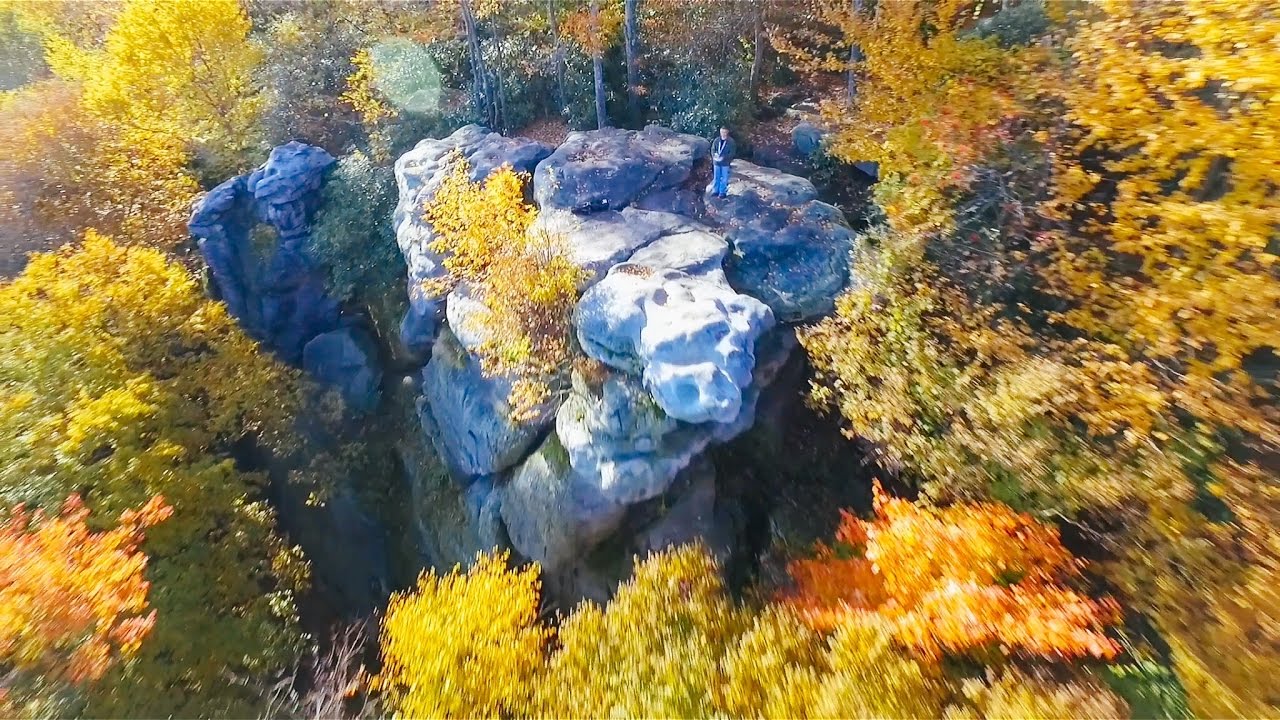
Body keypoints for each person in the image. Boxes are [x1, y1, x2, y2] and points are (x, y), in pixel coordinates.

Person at [711, 126, 735, 198]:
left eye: (724, 132)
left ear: (727, 132)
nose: (723, 134)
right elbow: (713, 149)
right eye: (722, 132)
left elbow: (732, 153)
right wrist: (714, 156)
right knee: (716, 177)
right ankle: (715, 191)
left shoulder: (731, 142)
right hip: (716, 162)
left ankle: (722, 192)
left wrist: (724, 158)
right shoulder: (716, 140)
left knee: (724, 178)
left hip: (725, 163)